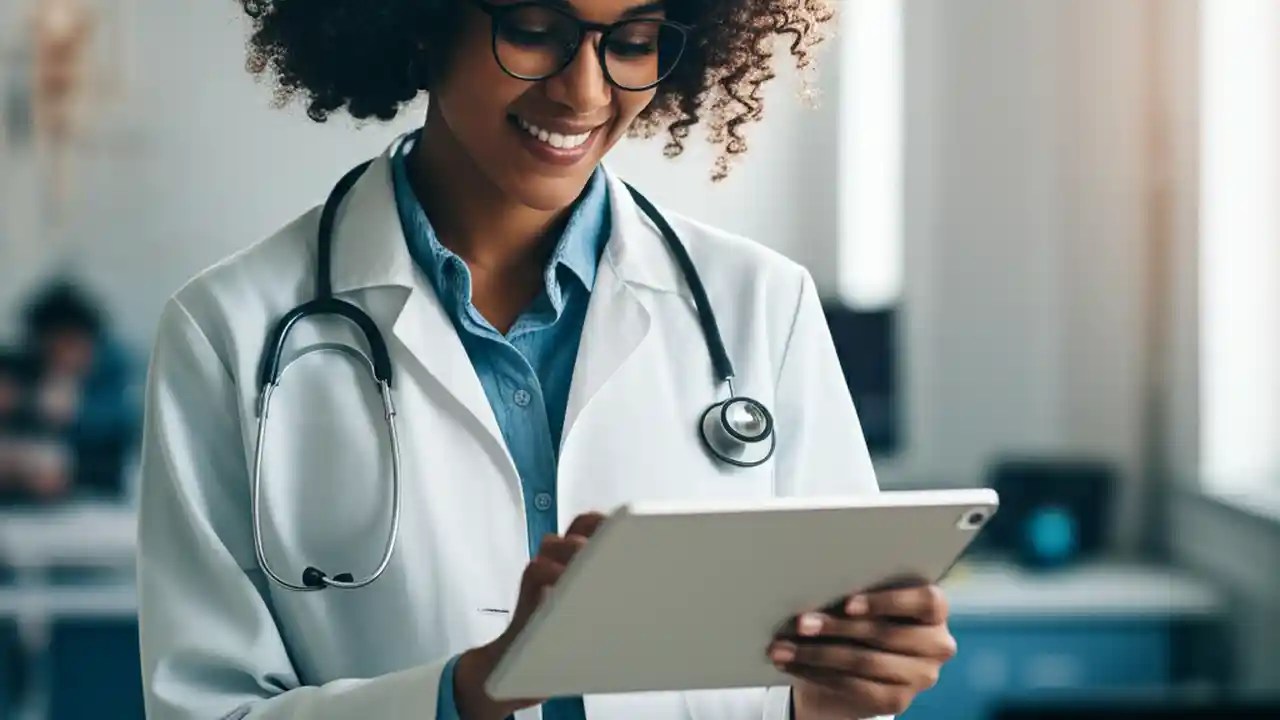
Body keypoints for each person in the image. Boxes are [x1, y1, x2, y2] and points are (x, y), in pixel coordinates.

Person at [136, 1, 958, 719]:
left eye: (632, 40)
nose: (585, 92)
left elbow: (817, 671)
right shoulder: (228, 332)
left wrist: (836, 697)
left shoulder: (761, 307)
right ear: (423, 23)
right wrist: (474, 691)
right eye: (534, 32)